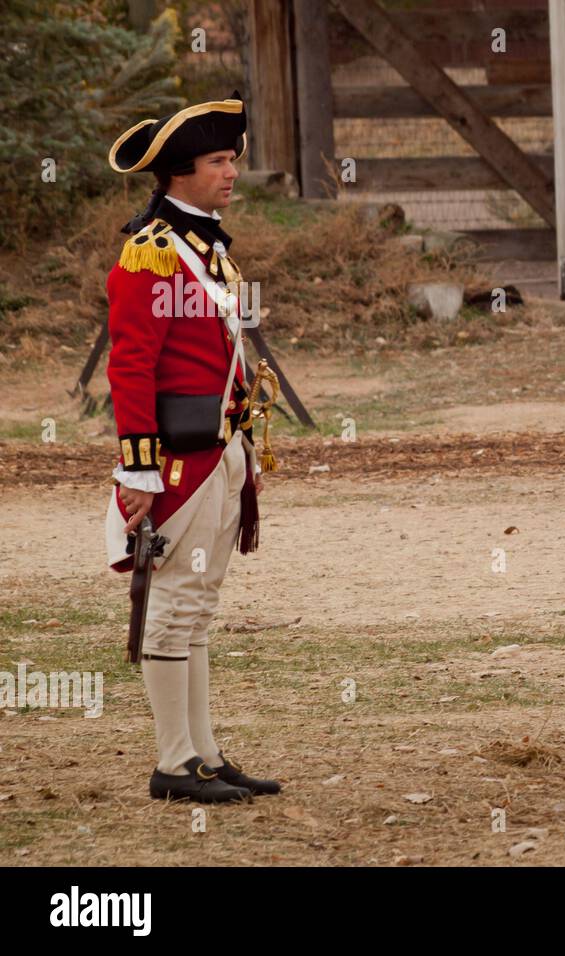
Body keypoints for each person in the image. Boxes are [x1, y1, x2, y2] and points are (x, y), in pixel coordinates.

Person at [106, 94, 281, 802]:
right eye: (219, 161)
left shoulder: (203, 246)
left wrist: (243, 455)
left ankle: (202, 754)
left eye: (232, 159)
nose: (232, 172)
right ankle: (173, 763)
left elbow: (227, 358)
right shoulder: (149, 253)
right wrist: (138, 469)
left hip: (219, 451)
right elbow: (131, 367)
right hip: (175, 460)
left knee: (197, 606)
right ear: (179, 172)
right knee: (175, 604)